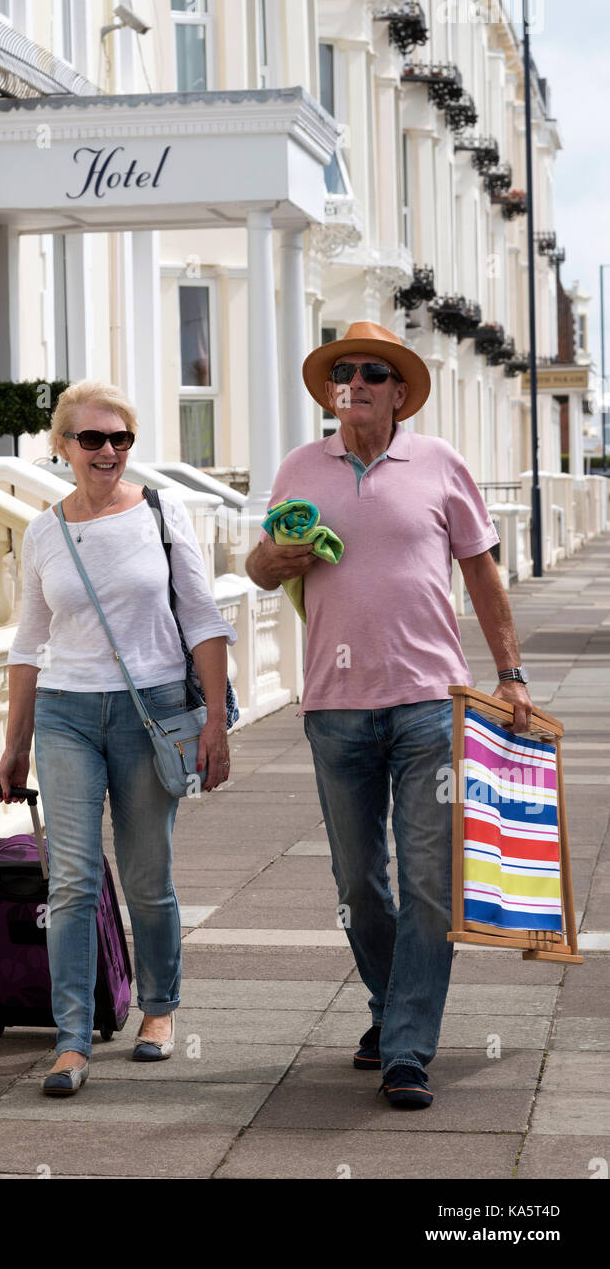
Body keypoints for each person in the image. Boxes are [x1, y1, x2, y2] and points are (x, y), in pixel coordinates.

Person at [245, 321, 536, 1109]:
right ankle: (388, 1007)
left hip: (426, 704)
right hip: (334, 709)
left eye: (374, 371)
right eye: (346, 371)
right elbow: (260, 567)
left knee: (430, 881)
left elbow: (481, 574)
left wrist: (508, 675)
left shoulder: (439, 464)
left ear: (400, 390)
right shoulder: (300, 467)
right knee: (358, 883)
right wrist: (276, 559)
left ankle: (406, 1049)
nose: (359, 381)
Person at [0, 379, 236, 1095]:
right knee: (72, 878)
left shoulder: (161, 513)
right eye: (92, 439)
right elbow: (29, 643)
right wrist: (15, 743)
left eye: (120, 439)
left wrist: (216, 721)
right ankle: (71, 1039)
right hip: (66, 712)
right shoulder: (43, 530)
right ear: (62, 446)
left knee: (145, 874)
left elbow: (201, 616)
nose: (107, 452)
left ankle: (158, 1008)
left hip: (151, 710)